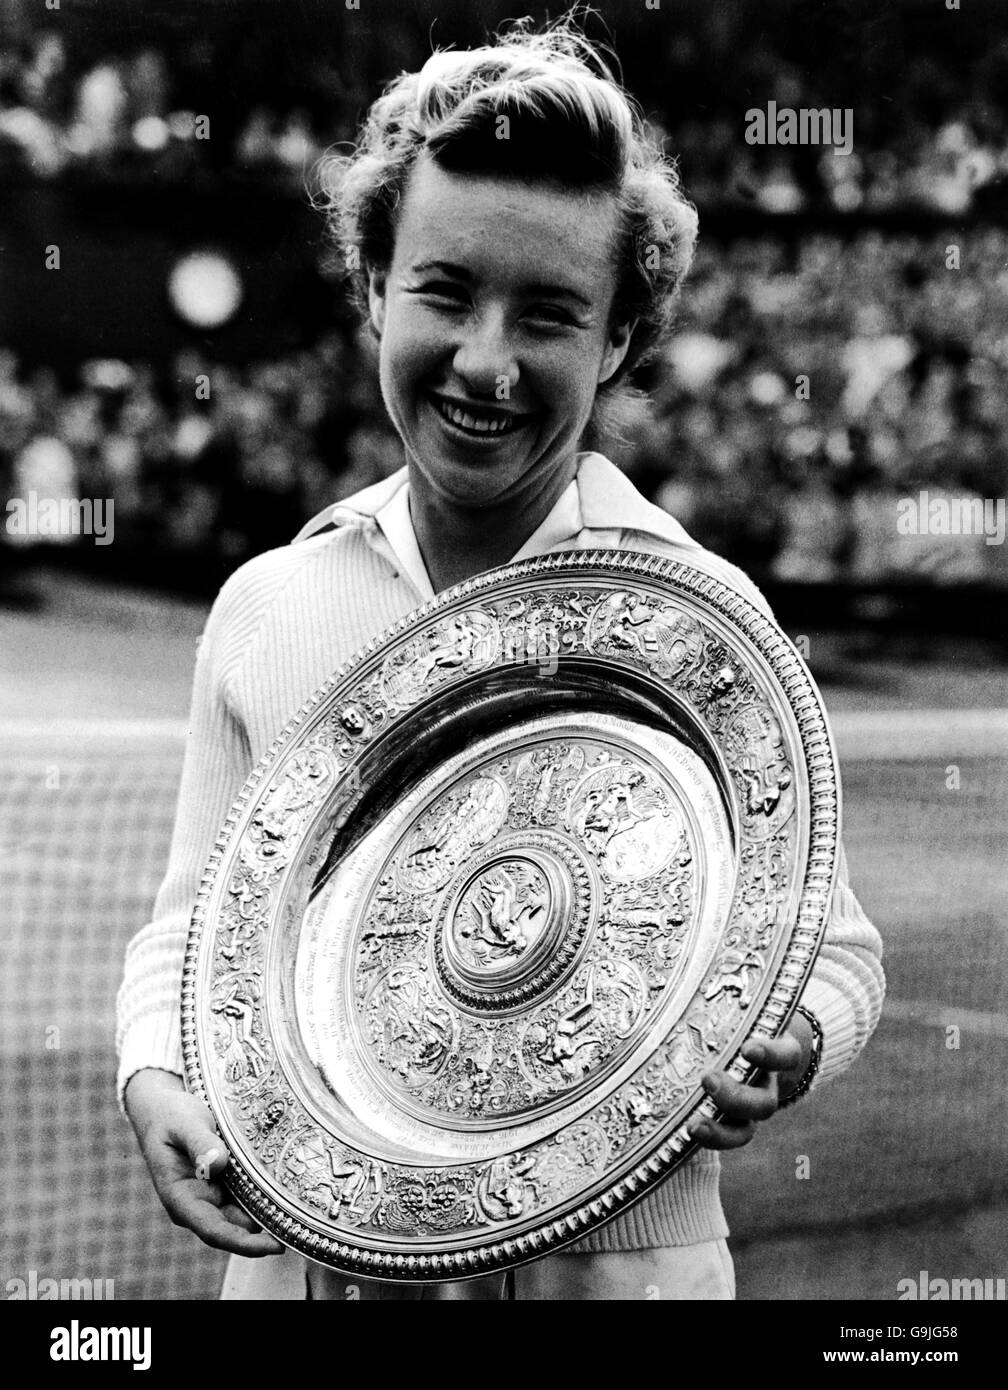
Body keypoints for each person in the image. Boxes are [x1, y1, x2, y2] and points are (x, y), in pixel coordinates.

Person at [117, 16, 885, 1301]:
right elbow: (197, 924)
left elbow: (840, 950)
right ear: (372, 287)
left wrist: (793, 1036)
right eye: (444, 292)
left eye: (549, 315)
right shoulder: (267, 605)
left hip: (625, 1272)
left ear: (622, 337)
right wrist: (154, 1068)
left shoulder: (702, 619)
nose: (486, 363)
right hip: (318, 1262)